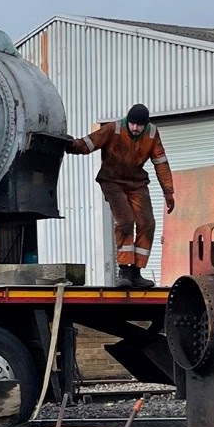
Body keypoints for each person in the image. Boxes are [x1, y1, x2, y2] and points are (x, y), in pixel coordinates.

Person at [67, 103, 174, 289]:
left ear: (146, 125)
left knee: (147, 223)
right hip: (112, 181)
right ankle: (124, 271)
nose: (135, 128)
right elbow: (89, 143)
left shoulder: (152, 134)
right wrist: (71, 145)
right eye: (132, 124)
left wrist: (168, 191)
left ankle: (136, 273)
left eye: (139, 125)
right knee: (125, 221)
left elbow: (161, 162)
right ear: (127, 121)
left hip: (136, 183)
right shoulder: (113, 129)